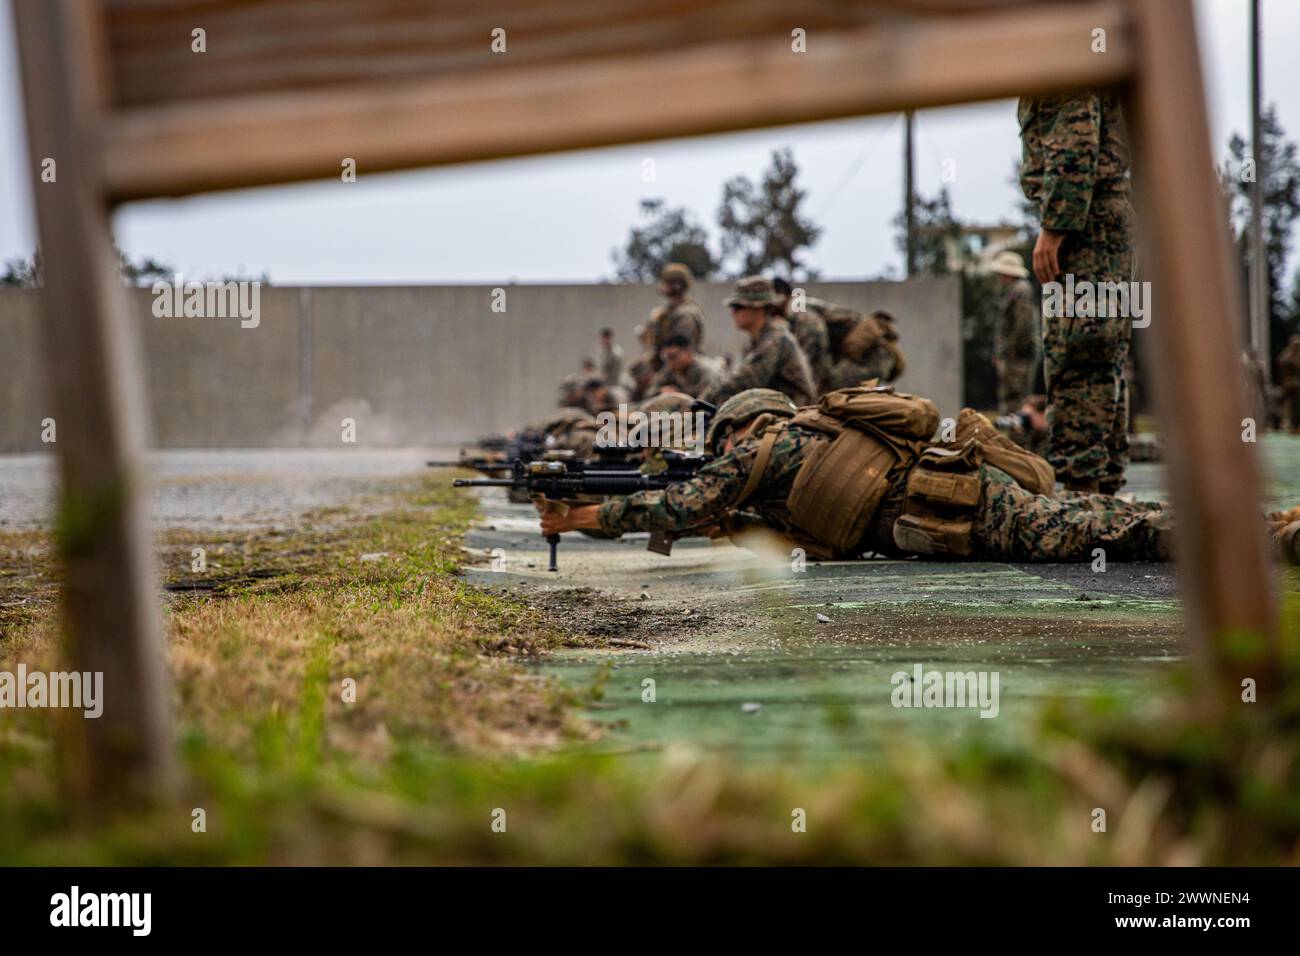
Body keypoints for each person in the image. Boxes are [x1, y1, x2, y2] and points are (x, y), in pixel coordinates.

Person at [539, 387, 1300, 566]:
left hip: (970, 508)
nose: (723, 448)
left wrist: (581, 522)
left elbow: (677, 506)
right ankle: (1268, 523)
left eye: (724, 435)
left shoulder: (763, 451)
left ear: (744, 425)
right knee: (1108, 513)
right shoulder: (794, 446)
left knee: (1117, 530)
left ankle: (1267, 538)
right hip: (964, 504)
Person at [1019, 91, 1135, 494]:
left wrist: (1055, 227)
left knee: (1078, 350)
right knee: (1102, 352)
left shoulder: (1066, 60)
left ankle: (1082, 488)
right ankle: (1100, 486)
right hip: (1100, 217)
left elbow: (1076, 146)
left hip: (1085, 225)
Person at [698, 277, 817, 408]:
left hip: (794, 414)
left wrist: (703, 400)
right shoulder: (756, 341)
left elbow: (743, 382)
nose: (733, 312)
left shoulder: (775, 340)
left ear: (759, 308)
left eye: (739, 307)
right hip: (777, 409)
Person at [990, 250, 1040, 414]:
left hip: (1018, 359)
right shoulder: (1015, 291)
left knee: (1016, 401)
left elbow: (1022, 326)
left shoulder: (1020, 291)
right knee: (1012, 400)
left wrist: (1007, 352)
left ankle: (1019, 439)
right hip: (1015, 356)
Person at [773, 277, 832, 394]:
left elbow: (817, 347)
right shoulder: (793, 312)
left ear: (782, 295)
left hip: (864, 357)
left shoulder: (800, 311)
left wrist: (817, 381)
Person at [648, 263, 706, 367]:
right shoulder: (666, 312)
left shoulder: (687, 313)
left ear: (676, 285)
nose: (661, 285)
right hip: (667, 366)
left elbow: (679, 350)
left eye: (665, 282)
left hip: (682, 369)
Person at [645, 334, 723, 398]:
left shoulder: (706, 371)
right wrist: (660, 391)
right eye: (666, 357)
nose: (670, 362)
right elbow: (649, 393)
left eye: (673, 356)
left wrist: (678, 394)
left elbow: (708, 399)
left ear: (688, 352)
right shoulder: (672, 369)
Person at [1278, 333, 1300, 433]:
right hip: (1289, 385)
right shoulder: (1286, 355)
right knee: (1288, 406)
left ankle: (1295, 424)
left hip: (1297, 386)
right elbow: (1282, 365)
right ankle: (1287, 424)